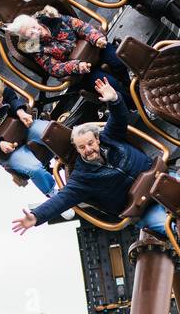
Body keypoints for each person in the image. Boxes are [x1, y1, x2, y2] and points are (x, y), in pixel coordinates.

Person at [10, 79, 166, 234]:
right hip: (142, 207)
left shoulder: (109, 137)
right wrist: (36, 216)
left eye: (90, 143)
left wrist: (114, 99)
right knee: (170, 227)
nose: (88, 149)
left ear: (97, 139)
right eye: (82, 147)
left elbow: (119, 118)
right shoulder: (81, 178)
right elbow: (61, 200)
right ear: (77, 150)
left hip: (159, 180)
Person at [3, 5, 131, 99]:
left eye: (35, 27)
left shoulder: (54, 19)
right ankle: (134, 103)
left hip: (93, 48)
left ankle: (131, 85)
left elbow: (80, 26)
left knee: (120, 61)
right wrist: (77, 66)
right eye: (31, 34)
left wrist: (96, 38)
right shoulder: (36, 50)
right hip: (80, 70)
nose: (36, 32)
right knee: (111, 85)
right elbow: (54, 68)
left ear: (36, 21)